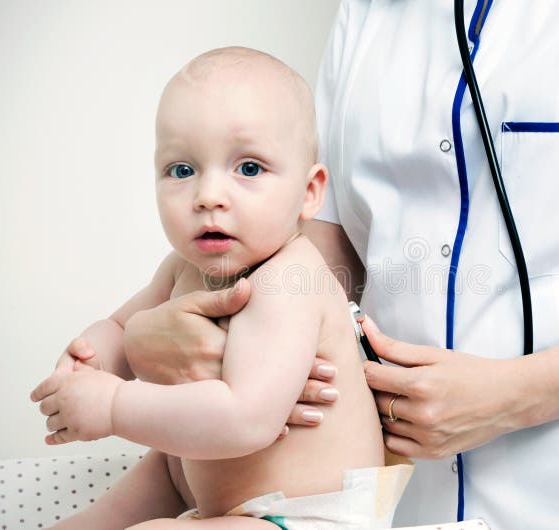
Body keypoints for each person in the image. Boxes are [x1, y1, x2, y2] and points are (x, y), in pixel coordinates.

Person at [118, 2, 559, 529]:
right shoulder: (367, 15)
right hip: (410, 499)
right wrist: (160, 327)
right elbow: (319, 259)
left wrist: (518, 394)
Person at [29, 46, 412, 529]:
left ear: (310, 192)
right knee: (153, 474)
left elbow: (245, 419)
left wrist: (111, 405)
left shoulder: (290, 279)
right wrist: (90, 360)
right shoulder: (182, 268)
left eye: (248, 168)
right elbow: (122, 326)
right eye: (182, 170)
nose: (208, 196)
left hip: (307, 517)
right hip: (221, 497)